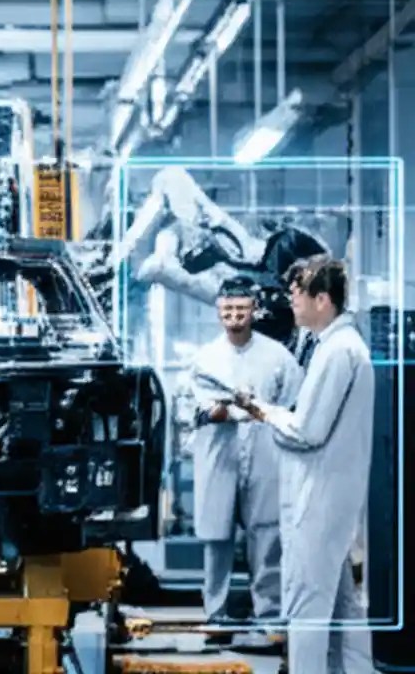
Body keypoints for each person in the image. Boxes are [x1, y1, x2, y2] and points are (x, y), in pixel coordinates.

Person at [234, 255, 377, 673]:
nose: (291, 302)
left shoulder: (337, 352)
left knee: (306, 608)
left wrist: (261, 410)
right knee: (343, 609)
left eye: (298, 294)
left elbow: (307, 431)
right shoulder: (343, 347)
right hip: (333, 500)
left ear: (323, 299)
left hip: (318, 502)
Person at [187, 276, 303, 647]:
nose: (234, 316)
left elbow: (293, 404)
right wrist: (234, 409)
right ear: (218, 311)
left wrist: (257, 411)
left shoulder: (277, 356)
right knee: (216, 538)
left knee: (267, 536)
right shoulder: (206, 358)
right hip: (220, 453)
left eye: (241, 308)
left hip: (267, 451)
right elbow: (200, 409)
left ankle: (271, 617)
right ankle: (216, 615)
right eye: (227, 309)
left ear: (254, 309)